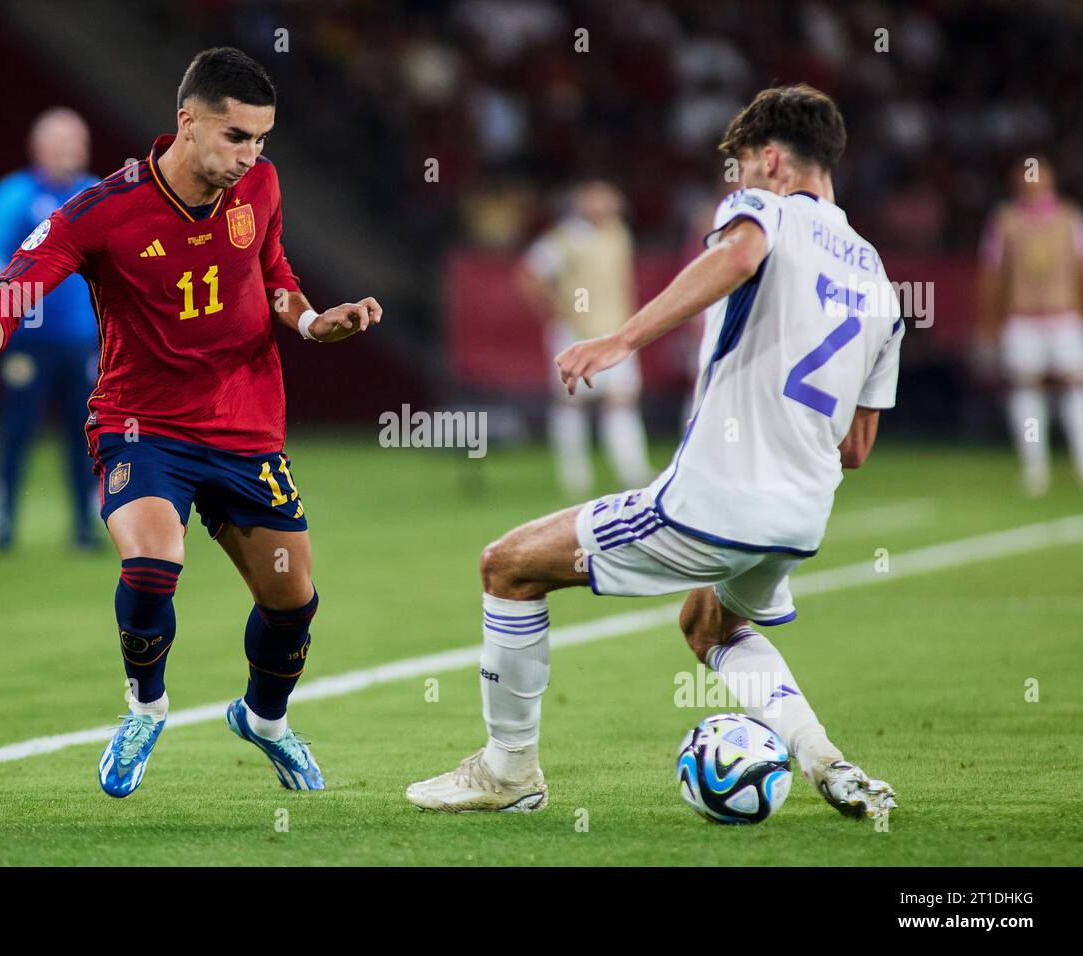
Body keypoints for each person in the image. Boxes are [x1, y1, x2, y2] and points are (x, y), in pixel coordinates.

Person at [407, 84, 900, 819]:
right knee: (710, 624)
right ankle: (827, 759)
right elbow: (857, 448)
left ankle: (508, 772)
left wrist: (619, 338)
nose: (736, 180)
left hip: (717, 497)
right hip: (800, 516)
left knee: (506, 567)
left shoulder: (765, 206)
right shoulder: (880, 283)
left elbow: (738, 254)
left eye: (738, 165)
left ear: (769, 160)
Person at [0, 48, 382, 798]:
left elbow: (275, 276)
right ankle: (146, 707)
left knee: (292, 601)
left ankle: (266, 721)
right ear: (188, 122)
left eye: (262, 139)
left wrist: (312, 324)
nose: (251, 155)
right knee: (153, 564)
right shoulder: (106, 208)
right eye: (236, 136)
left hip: (245, 427)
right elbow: (27, 271)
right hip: (143, 426)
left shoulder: (262, 187)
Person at [0, 108, 102, 549]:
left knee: (84, 434)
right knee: (17, 429)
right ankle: (4, 523)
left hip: (82, 342)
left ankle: (85, 525)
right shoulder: (15, 194)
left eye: (77, 143)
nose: (72, 152)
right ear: (38, 147)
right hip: (27, 340)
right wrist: (8, 303)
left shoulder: (93, 194)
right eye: (62, 142)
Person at [516, 180, 654, 497]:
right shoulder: (565, 238)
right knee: (572, 401)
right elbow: (529, 275)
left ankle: (631, 469)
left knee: (622, 399)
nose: (608, 205)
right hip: (575, 332)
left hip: (617, 330)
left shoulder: (618, 234)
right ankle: (574, 475)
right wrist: (557, 312)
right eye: (599, 199)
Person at [977, 157, 1083, 495]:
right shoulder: (1005, 221)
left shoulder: (1069, 218)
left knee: (1073, 387)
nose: (1032, 183)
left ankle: (1080, 461)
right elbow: (992, 273)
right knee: (1026, 389)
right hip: (1022, 317)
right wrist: (991, 320)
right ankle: (1035, 466)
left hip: (1063, 314)